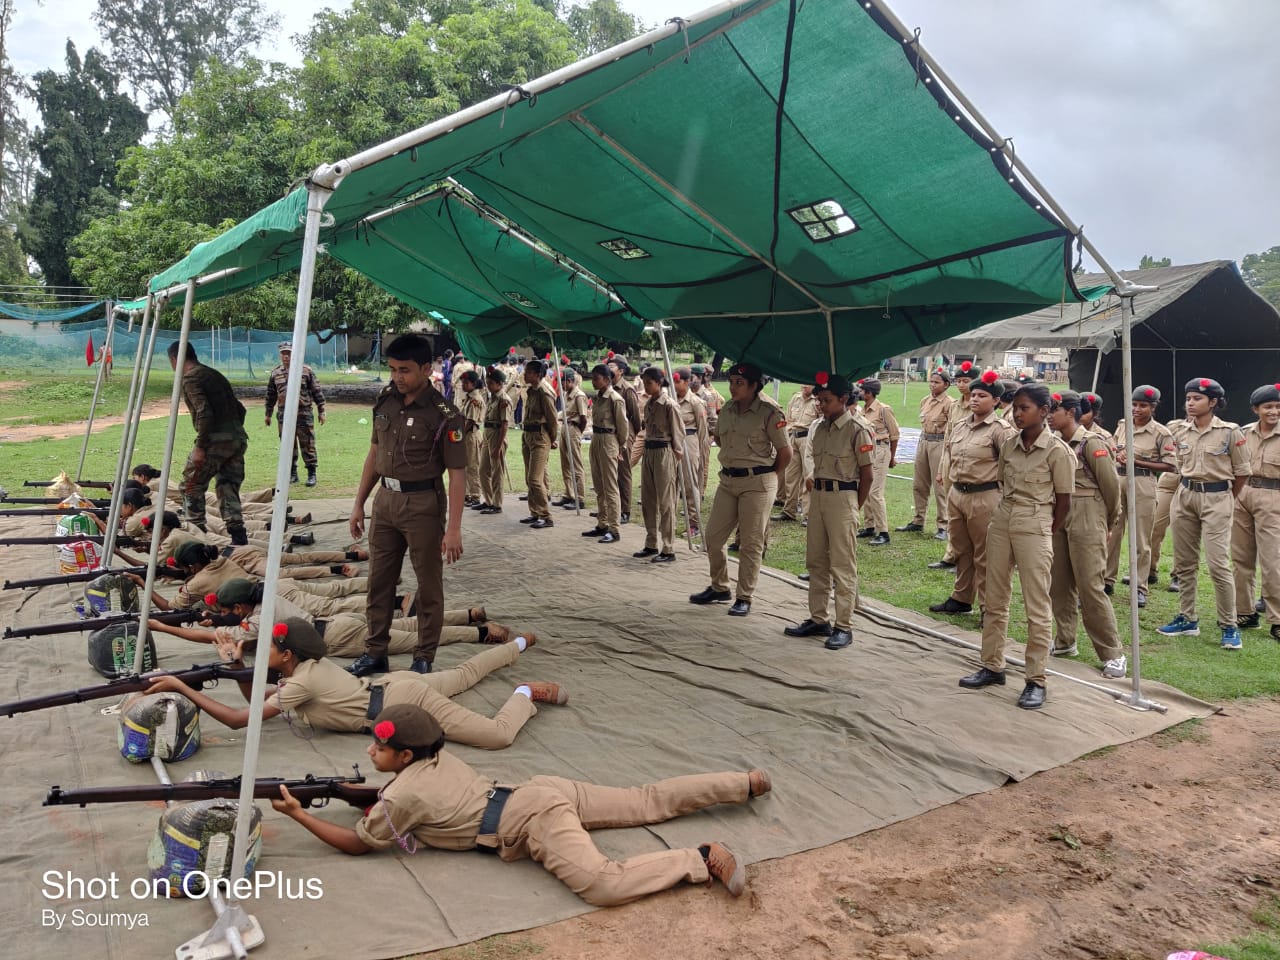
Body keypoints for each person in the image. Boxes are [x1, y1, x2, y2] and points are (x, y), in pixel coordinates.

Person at [269, 702, 770, 905]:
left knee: (602, 884)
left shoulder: (404, 792)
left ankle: (698, 858)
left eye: (378, 748)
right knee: (645, 800)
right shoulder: (430, 764)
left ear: (403, 755)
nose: (369, 752)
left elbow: (359, 844)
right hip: (533, 792)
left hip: (532, 818)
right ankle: (742, 783)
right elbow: (393, 803)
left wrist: (300, 814)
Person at [147, 617, 565, 750]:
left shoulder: (299, 683)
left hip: (398, 703)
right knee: (465, 675)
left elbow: (243, 718)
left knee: (496, 737)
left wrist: (183, 687)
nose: (262, 656)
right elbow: (263, 699)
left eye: (267, 651)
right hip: (395, 688)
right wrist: (239, 665)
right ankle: (521, 643)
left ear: (287, 655)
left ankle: (524, 693)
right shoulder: (305, 670)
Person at [347, 333, 467, 677]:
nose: (397, 377)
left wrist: (454, 529)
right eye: (393, 369)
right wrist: (359, 504)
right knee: (379, 581)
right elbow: (374, 454)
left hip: (423, 505)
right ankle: (375, 652)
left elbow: (457, 475)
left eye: (405, 370)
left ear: (427, 369)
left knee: (428, 584)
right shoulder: (386, 401)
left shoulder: (445, 414)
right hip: (385, 501)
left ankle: (423, 655)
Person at [959, 384, 1073, 710]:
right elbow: (1002, 484)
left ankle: (1036, 679)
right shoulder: (1008, 445)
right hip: (1003, 520)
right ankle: (992, 665)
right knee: (994, 597)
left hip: (1035, 524)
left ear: (1044, 410)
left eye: (1024, 408)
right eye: (1016, 408)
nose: (1017, 413)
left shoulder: (1056, 450)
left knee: (1037, 606)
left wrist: (1044, 531)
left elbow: (1064, 501)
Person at [1157, 378, 1251, 649]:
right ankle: (1188, 618)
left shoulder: (1230, 432)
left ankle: (1229, 625)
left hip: (1217, 496)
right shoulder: (1180, 430)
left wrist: (1225, 498)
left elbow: (1243, 472)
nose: (1190, 403)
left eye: (1197, 398)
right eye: (1188, 398)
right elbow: (1177, 463)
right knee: (1184, 562)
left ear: (1213, 402)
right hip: (1185, 494)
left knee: (1218, 563)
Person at [690, 362, 790, 617]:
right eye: (732, 381)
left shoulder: (769, 413)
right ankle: (720, 586)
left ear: (754, 386)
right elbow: (721, 439)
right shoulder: (728, 410)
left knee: (750, 542)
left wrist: (766, 476)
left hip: (757, 483)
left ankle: (744, 596)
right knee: (712, 537)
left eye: (740, 383)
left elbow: (785, 453)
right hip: (728, 481)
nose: (733, 387)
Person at [784, 374, 873, 650]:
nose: (821, 405)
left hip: (843, 496)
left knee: (842, 565)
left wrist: (853, 506)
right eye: (820, 400)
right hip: (819, 496)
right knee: (816, 561)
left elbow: (867, 475)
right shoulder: (819, 427)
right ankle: (818, 618)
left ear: (844, 400)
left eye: (827, 400)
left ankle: (844, 625)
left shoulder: (858, 429)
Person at [1045, 390, 1127, 679]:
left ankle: (1112, 653)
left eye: (1054, 410)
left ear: (1070, 412)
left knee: (1091, 586)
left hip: (1088, 512)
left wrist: (1107, 523)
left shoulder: (1092, 443)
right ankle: (1065, 640)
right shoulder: (1054, 442)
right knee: (1059, 583)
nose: (1049, 415)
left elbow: (1111, 487)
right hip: (1060, 511)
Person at [927, 370, 1014, 618]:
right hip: (958, 494)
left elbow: (1011, 468)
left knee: (986, 554)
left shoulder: (1000, 430)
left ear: (996, 400)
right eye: (973, 395)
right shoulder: (961, 426)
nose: (975, 399)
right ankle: (962, 598)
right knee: (961, 549)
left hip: (985, 497)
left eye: (982, 395)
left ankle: (989, 608)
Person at [168, 340, 249, 545]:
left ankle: (196, 539)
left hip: (215, 441)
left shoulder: (190, 378)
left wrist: (201, 446)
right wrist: (232, 433)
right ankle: (238, 537)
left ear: (175, 359)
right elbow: (240, 409)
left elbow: (204, 413)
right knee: (227, 485)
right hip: (237, 438)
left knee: (190, 486)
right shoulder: (213, 374)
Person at [1104, 386, 1176, 606]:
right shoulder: (1123, 425)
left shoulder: (1162, 433)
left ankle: (1139, 586)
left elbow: (1170, 465)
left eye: (1143, 405)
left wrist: (1138, 461)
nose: (1137, 409)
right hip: (1118, 479)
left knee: (1141, 537)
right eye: (1134, 404)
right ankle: (1106, 579)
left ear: (1153, 407)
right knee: (1113, 533)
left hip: (1143, 481)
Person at [1232, 384, 1280, 641]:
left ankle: (1278, 618)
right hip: (1243, 493)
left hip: (1274, 496)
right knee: (1241, 558)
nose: (1273, 411)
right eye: (1268, 407)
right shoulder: (1242, 433)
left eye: (1277, 407)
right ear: (1256, 409)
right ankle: (1245, 611)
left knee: (1273, 561)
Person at [929, 361, 977, 571]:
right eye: (959, 381)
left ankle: (965, 558)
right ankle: (951, 554)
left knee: (968, 515)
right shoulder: (955, 406)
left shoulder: (979, 406)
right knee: (953, 511)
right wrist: (941, 469)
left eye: (966, 381)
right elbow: (948, 438)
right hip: (950, 460)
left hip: (969, 464)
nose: (961, 385)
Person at [634, 367, 684, 563]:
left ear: (658, 382)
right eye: (644, 382)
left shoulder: (669, 405)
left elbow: (678, 434)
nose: (646, 386)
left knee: (666, 502)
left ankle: (668, 547)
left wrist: (674, 457)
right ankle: (651, 542)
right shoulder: (649, 404)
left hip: (664, 451)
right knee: (648, 500)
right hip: (649, 450)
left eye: (649, 382)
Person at [899, 367, 954, 540]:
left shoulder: (950, 404)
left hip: (939, 442)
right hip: (924, 441)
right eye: (931, 381)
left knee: (940, 486)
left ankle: (943, 525)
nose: (932, 385)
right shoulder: (925, 400)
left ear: (946, 385)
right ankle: (918, 520)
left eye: (937, 382)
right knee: (919, 484)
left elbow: (951, 429)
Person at [264, 342, 327, 486]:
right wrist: (267, 414)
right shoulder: (275, 373)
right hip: (284, 414)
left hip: (303, 413)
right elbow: (270, 395)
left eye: (289, 353)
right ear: (280, 355)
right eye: (283, 353)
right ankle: (292, 474)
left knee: (308, 444)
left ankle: (312, 474)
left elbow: (317, 391)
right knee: (287, 445)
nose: (286, 356)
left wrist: (321, 410)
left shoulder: (305, 371)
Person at [583, 364, 630, 544]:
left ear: (606, 379)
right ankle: (602, 523)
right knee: (599, 485)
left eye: (596, 378)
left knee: (610, 486)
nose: (593, 381)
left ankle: (614, 528)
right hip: (596, 438)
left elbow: (623, 426)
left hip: (609, 440)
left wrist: (620, 447)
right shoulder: (599, 398)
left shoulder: (614, 398)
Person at [857, 378, 898, 545]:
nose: (858, 393)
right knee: (865, 487)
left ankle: (883, 532)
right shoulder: (862, 410)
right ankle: (869, 526)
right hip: (868, 450)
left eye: (861, 390)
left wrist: (892, 456)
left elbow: (895, 435)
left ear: (868, 393)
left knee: (875, 492)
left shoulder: (883, 410)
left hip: (881, 449)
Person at [519, 360, 559, 529]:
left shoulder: (544, 391)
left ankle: (546, 516)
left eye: (528, 372)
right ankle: (535, 512)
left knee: (535, 479)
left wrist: (552, 438)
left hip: (540, 437)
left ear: (537, 374)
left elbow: (552, 418)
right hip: (528, 434)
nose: (525, 375)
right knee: (530, 478)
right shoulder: (532, 390)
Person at [672, 368, 708, 537]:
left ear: (686, 382)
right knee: (671, 483)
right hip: (672, 442)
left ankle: (694, 524)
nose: (674, 384)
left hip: (689, 441)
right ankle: (669, 521)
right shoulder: (671, 399)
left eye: (677, 381)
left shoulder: (695, 402)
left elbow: (703, 430)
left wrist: (701, 453)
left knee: (689, 484)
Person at [776, 384, 819, 523]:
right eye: (803, 384)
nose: (804, 386)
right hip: (793, 437)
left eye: (807, 384)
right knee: (790, 476)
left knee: (808, 476)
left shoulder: (817, 401)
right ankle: (789, 511)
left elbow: (821, 423)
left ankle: (808, 515)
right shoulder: (795, 398)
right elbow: (787, 419)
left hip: (808, 438)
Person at [608, 356, 642, 524]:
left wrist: (630, 437)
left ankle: (625, 511)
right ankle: (612, 508)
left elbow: (636, 417)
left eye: (612, 366)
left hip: (624, 435)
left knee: (623, 472)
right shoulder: (607, 388)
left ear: (620, 371)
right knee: (609, 473)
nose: (609, 368)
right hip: (609, 435)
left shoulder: (627, 390)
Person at [477, 367, 513, 514]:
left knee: (497, 472)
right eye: (487, 382)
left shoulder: (504, 400)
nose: (488, 385)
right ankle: (488, 500)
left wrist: (498, 447)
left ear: (499, 384)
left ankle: (497, 504)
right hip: (488, 435)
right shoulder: (492, 398)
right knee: (483, 470)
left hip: (498, 437)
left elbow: (505, 424)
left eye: (491, 383)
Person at [556, 367, 589, 510]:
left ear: (570, 381)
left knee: (576, 464)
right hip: (564, 427)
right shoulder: (566, 394)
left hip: (573, 428)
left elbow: (583, 418)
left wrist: (578, 431)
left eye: (563, 382)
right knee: (565, 463)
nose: (561, 385)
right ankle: (568, 494)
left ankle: (579, 497)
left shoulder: (579, 396)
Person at [457, 369, 487, 508]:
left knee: (473, 466)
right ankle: (467, 494)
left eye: (466, 383)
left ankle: (475, 495)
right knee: (465, 465)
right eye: (463, 382)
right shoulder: (469, 397)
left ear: (474, 383)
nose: (463, 385)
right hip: (467, 434)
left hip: (471, 435)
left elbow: (470, 421)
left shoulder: (475, 399)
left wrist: (460, 434)